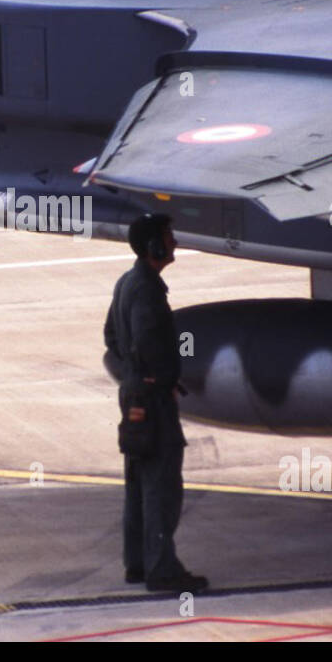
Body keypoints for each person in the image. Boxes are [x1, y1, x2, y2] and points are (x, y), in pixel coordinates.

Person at [103, 214, 208, 594]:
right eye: (169, 237)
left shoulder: (126, 283)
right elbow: (146, 339)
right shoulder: (147, 290)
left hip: (132, 395)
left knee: (138, 483)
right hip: (152, 400)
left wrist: (133, 371)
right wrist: (158, 378)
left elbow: (110, 334)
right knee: (161, 486)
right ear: (154, 247)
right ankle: (162, 569)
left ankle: (138, 564)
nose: (174, 243)